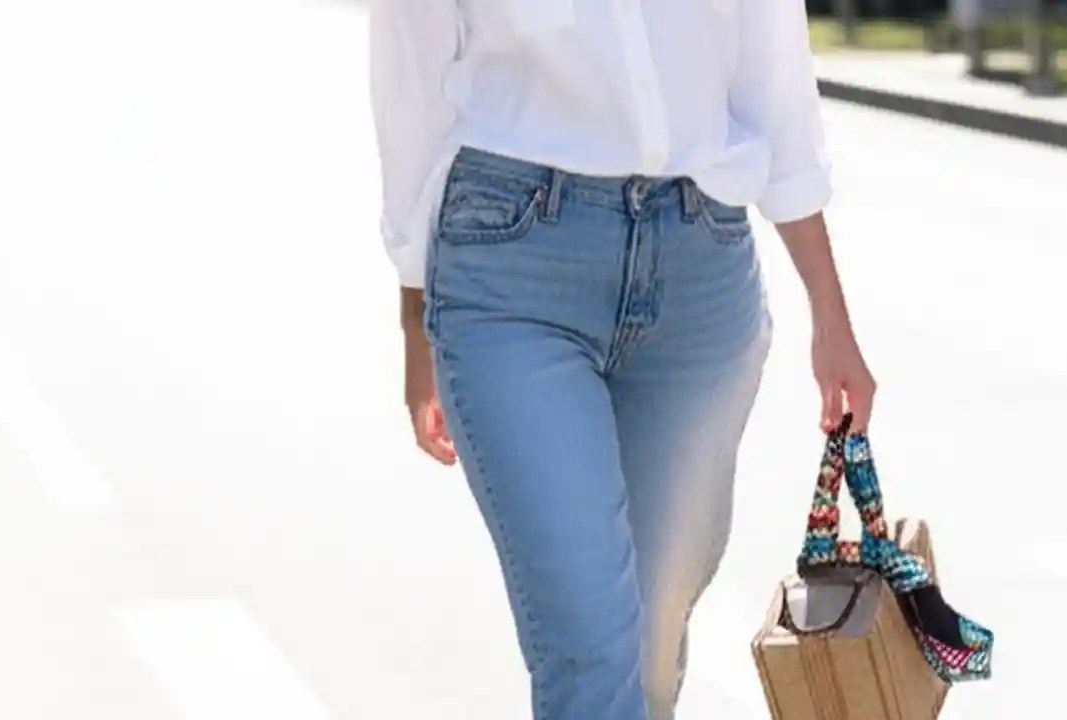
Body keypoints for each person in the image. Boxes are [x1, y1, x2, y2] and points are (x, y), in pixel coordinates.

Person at [369, 2, 875, 718]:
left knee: (650, 652)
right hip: (514, 270)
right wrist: (414, 318)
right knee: (590, 645)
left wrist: (831, 316)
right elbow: (409, 75)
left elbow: (774, 75)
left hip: (701, 271)